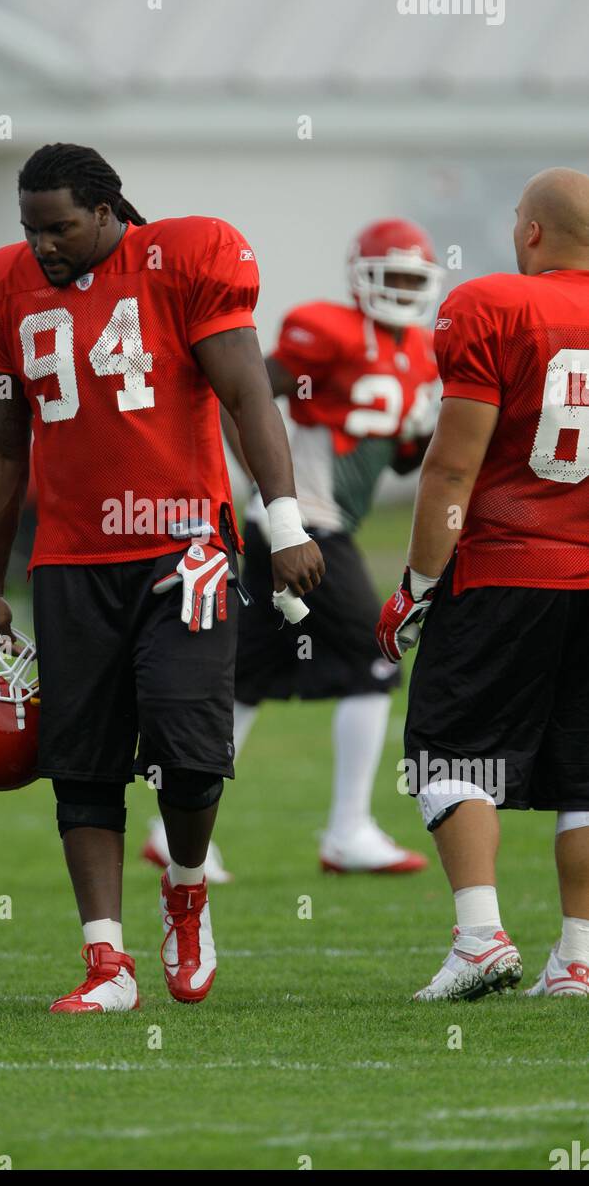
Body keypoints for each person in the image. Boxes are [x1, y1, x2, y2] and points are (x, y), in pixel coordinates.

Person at [0, 142, 323, 1013]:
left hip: (184, 551)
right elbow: (3, 445)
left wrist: (284, 523)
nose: (42, 245)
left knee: (189, 756)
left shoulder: (183, 260)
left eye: (59, 227)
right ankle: (106, 962)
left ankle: (186, 892)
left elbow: (247, 395)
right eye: (29, 228)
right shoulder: (1, 289)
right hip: (72, 558)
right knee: (80, 764)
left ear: (108, 211)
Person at [146, 220, 442, 877]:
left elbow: (400, 458)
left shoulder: (421, 352)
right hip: (302, 527)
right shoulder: (327, 330)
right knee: (375, 657)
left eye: (410, 278)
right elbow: (237, 392)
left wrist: (425, 431)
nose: (400, 288)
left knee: (247, 679)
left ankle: (171, 831)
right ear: (361, 277)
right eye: (390, 275)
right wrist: (266, 488)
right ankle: (347, 830)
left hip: (310, 526)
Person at [377, 168, 589, 1001]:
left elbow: (452, 467)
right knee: (584, 772)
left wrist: (417, 583)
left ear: (531, 231)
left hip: (506, 570)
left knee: (449, 750)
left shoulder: (496, 305)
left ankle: (479, 938)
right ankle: (577, 956)